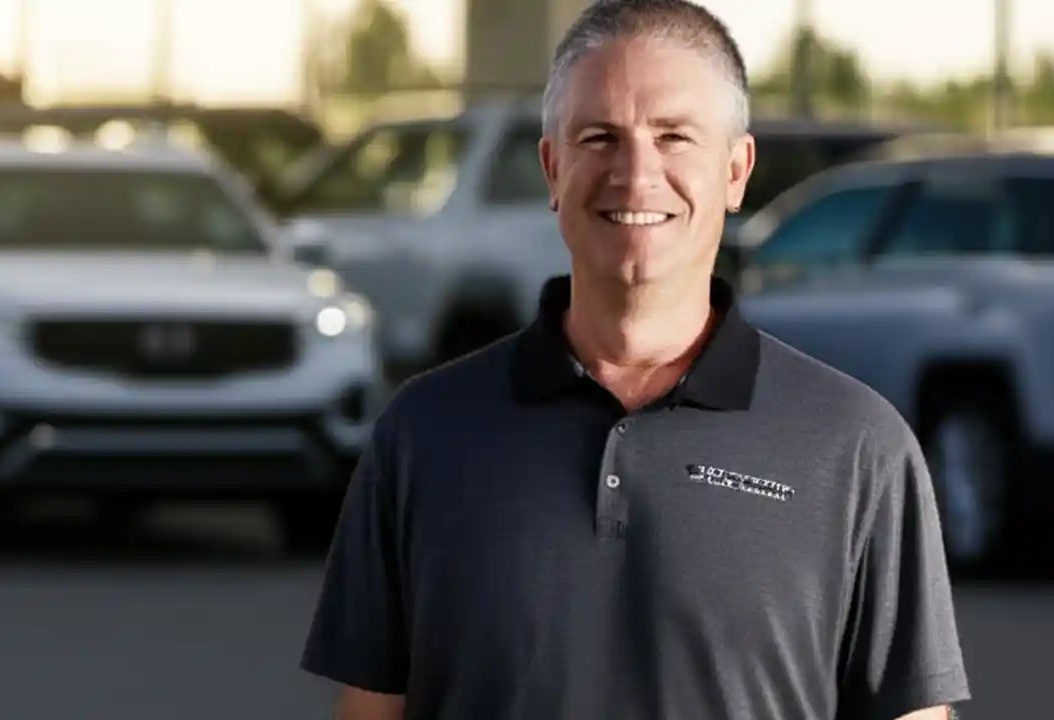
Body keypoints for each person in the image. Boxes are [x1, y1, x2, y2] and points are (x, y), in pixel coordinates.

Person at [300, 1, 971, 718]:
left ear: (737, 169)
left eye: (674, 136)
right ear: (552, 167)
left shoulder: (857, 447)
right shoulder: (424, 434)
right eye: (600, 138)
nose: (636, 173)